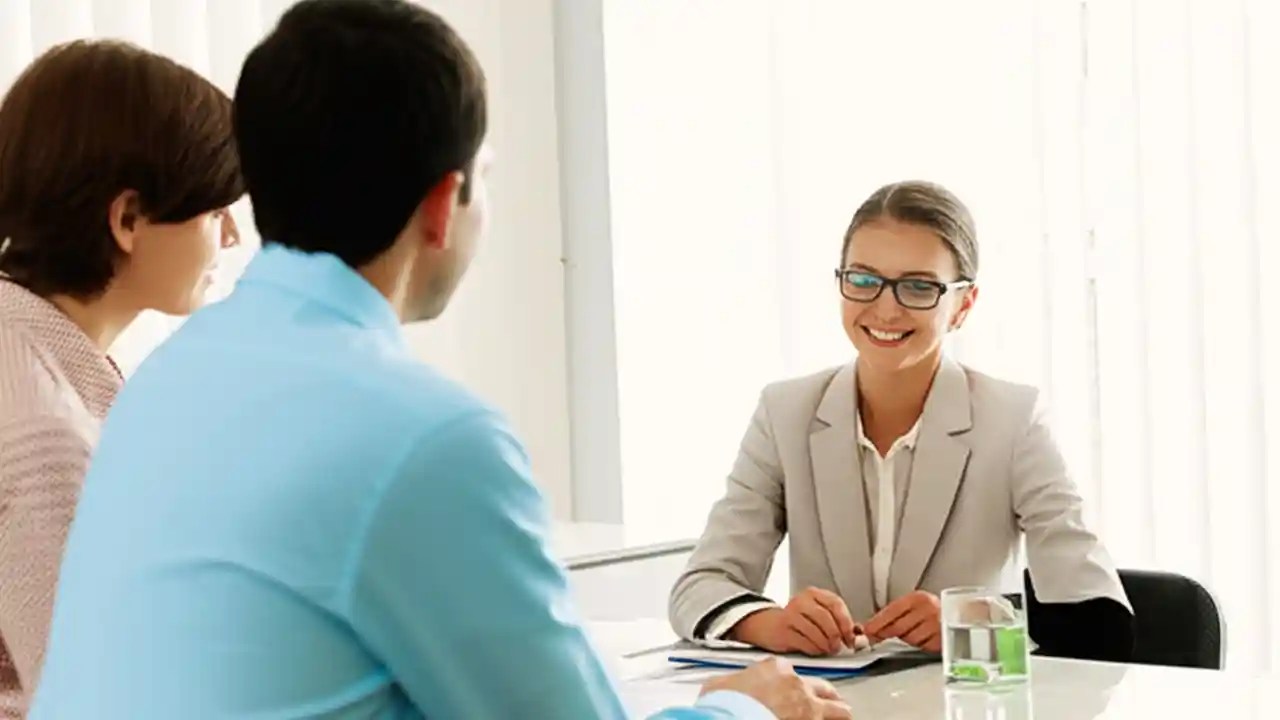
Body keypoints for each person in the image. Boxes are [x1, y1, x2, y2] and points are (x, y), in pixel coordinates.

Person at [31, 2, 850, 719]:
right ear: (441, 206)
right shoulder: (422, 436)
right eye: (481, 180)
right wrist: (747, 710)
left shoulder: (168, 379)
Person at [669, 180, 1134, 660]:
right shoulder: (785, 413)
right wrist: (770, 624)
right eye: (863, 280)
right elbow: (699, 586)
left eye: (918, 287)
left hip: (962, 694)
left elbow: (1098, 615)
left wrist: (973, 621)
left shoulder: (1013, 420)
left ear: (963, 306)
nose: (886, 309)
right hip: (830, 696)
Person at [0, 40, 242, 715]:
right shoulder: (47, 428)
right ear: (129, 219)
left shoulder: (30, 354)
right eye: (215, 212)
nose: (230, 237)